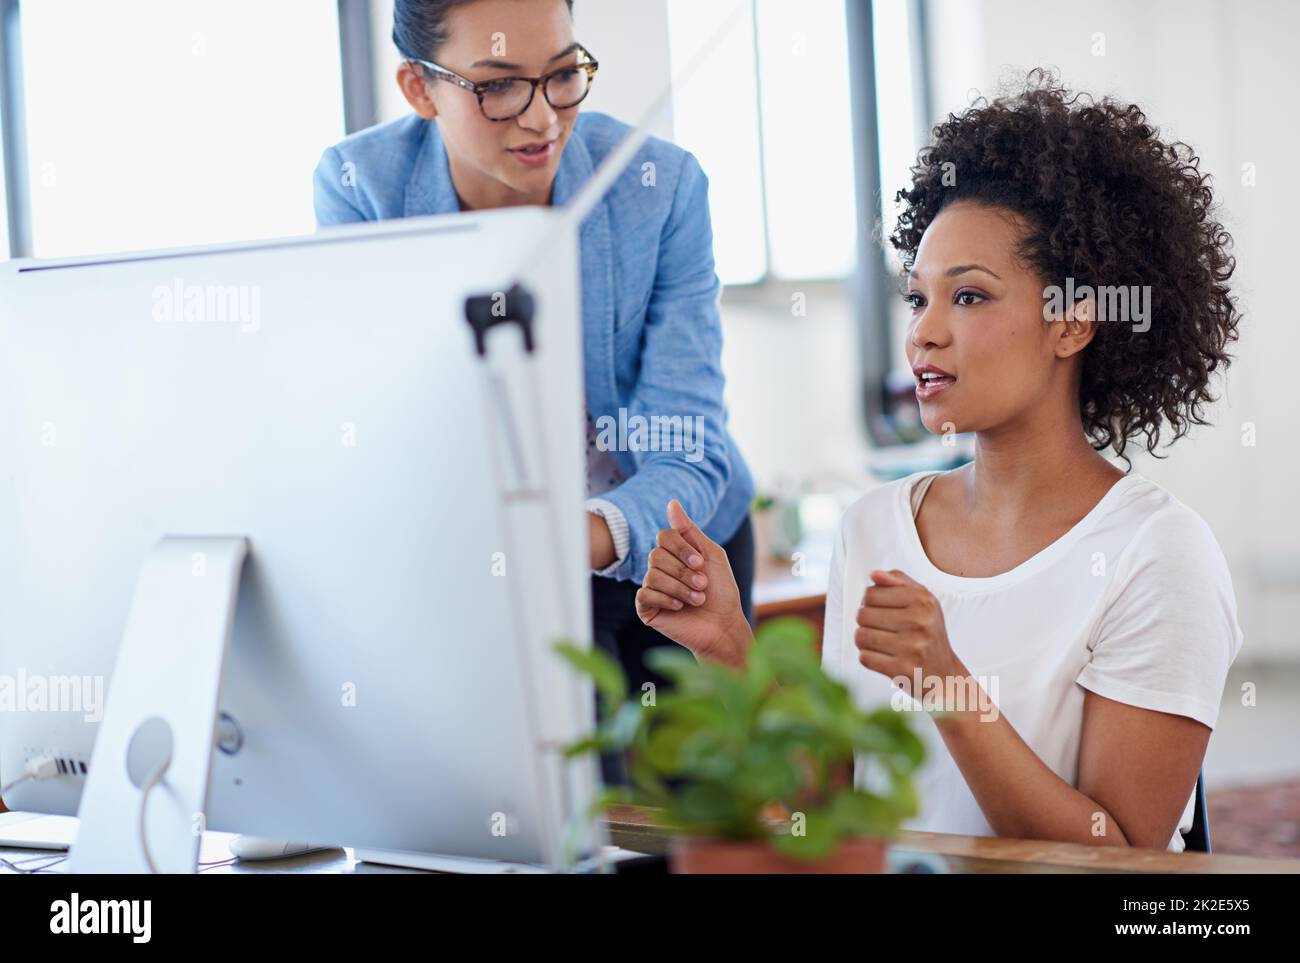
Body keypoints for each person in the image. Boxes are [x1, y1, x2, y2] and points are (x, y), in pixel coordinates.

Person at [636, 71, 1244, 851]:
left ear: (1073, 323)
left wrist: (946, 683)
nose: (923, 332)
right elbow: (827, 799)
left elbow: (1118, 857)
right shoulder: (874, 526)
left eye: (969, 297)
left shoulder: (1159, 556)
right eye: (918, 298)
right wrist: (727, 642)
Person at [312, 0, 755, 748]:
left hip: (673, 549)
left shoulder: (661, 186)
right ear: (420, 89)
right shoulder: (364, 190)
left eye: (561, 75)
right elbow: (389, 419)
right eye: (499, 86)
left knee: (691, 831)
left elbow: (689, 443)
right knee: (557, 827)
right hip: (499, 567)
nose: (543, 118)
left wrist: (569, 536)